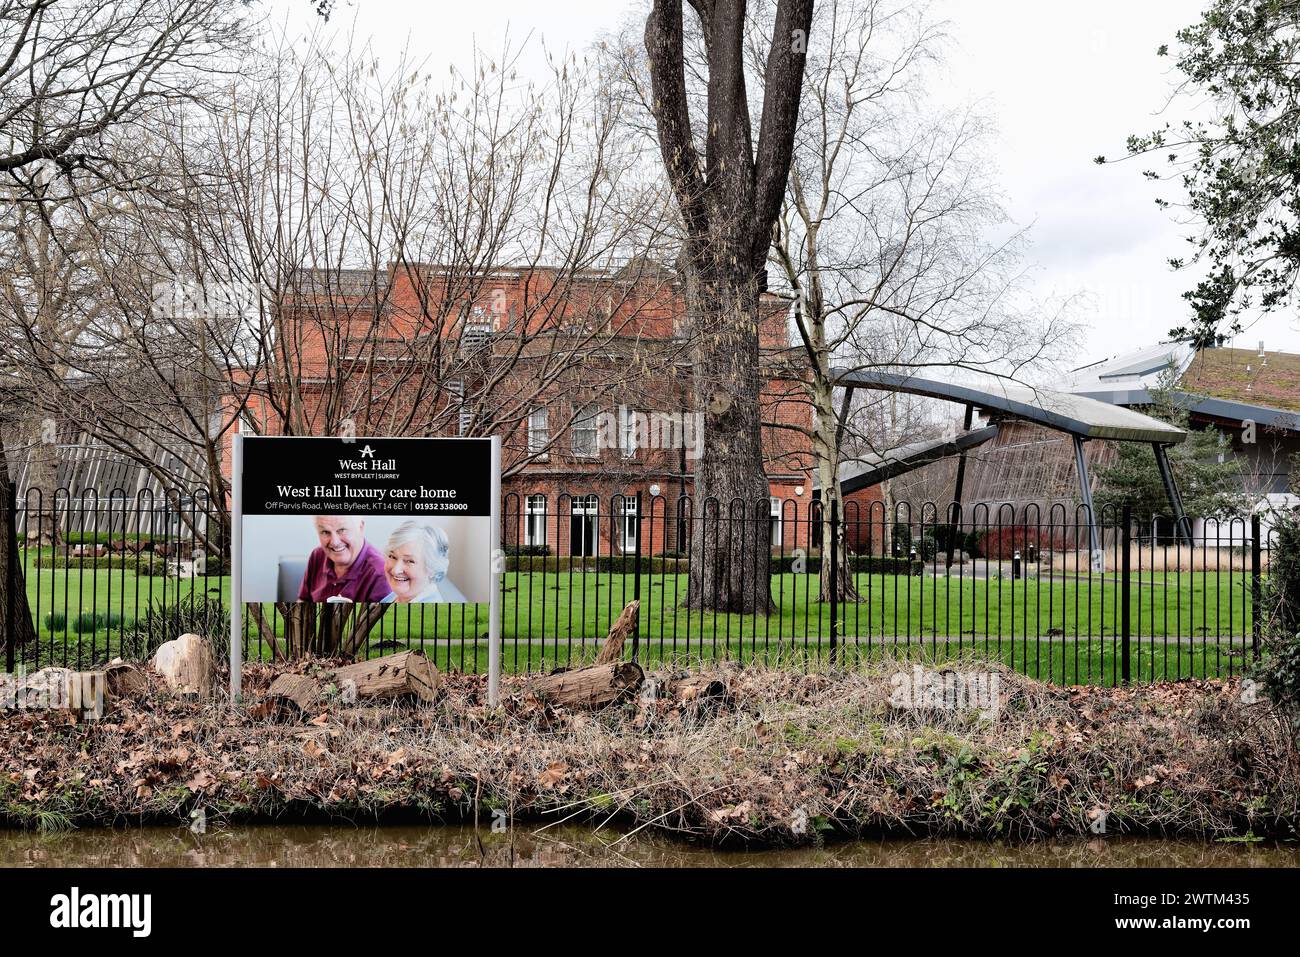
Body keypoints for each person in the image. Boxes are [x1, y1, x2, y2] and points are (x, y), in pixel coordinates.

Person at [297, 515, 390, 603]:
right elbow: (303, 600)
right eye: (325, 532)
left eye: (342, 530)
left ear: (360, 527)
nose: (334, 542)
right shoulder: (317, 555)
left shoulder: (381, 573)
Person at [379, 520, 452, 603]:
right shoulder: (397, 595)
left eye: (409, 561)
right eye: (393, 557)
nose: (395, 570)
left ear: (432, 569)